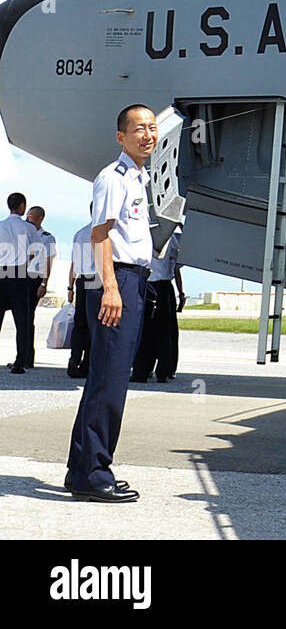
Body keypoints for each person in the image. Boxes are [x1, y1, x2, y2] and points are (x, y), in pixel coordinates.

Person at [64, 104, 158, 503]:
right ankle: (91, 471)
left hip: (133, 280)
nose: (147, 135)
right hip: (116, 281)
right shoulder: (113, 177)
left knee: (112, 378)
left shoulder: (140, 176)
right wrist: (111, 289)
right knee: (107, 379)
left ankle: (86, 468)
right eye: (138, 129)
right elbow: (100, 235)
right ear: (121, 137)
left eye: (152, 128)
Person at [131, 230, 184, 383]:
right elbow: (177, 266)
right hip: (161, 285)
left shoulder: (145, 233)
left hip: (151, 283)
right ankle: (163, 371)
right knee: (163, 332)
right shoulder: (173, 237)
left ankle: (143, 370)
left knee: (146, 331)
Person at [0, 192, 41, 374]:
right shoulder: (28, 228)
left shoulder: (1, 225)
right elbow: (36, 251)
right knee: (22, 320)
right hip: (18, 272)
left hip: (1, 272)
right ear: (22, 206)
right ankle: (20, 361)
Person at [23, 205, 56, 368]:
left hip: (35, 278)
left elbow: (48, 262)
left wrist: (44, 283)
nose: (27, 219)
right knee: (22, 318)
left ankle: (28, 357)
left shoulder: (47, 238)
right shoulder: (23, 234)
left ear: (39, 218)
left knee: (28, 317)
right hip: (21, 277)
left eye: (30, 216)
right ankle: (21, 355)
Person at [67, 214, 94, 378]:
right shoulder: (108, 232)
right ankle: (87, 364)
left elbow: (74, 263)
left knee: (80, 323)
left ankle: (74, 361)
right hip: (97, 279)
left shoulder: (80, 233)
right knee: (94, 326)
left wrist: (70, 287)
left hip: (82, 279)